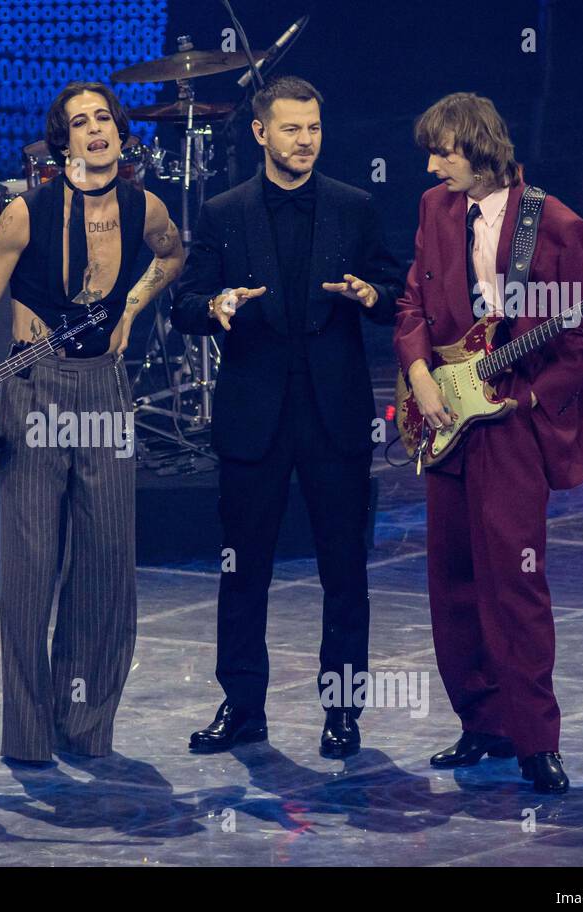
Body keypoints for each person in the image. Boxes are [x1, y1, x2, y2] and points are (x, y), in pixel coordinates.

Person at [171, 77, 403, 759]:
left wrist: (370, 293)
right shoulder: (223, 212)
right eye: (292, 129)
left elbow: (394, 290)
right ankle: (243, 707)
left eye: (314, 129)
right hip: (254, 417)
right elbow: (185, 304)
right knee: (244, 569)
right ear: (261, 133)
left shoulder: (354, 207)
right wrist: (214, 309)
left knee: (343, 571)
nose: (305, 141)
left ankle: (342, 711)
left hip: (335, 418)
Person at [0, 80, 185, 762]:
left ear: (121, 131)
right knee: (30, 569)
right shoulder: (27, 213)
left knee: (107, 564)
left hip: (105, 391)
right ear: (62, 143)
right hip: (34, 387)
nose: (95, 129)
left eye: (104, 119)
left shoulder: (146, 207)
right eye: (80, 122)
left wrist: (134, 307)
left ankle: (83, 725)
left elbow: (174, 253)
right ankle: (27, 738)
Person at [394, 92, 583, 793]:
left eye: (444, 152)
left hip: (513, 424)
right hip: (445, 416)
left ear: (481, 147)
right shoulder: (435, 209)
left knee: (514, 583)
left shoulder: (554, 224)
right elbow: (412, 305)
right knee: (451, 579)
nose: (432, 166)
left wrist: (527, 397)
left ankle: (535, 738)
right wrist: (421, 375)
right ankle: (480, 721)